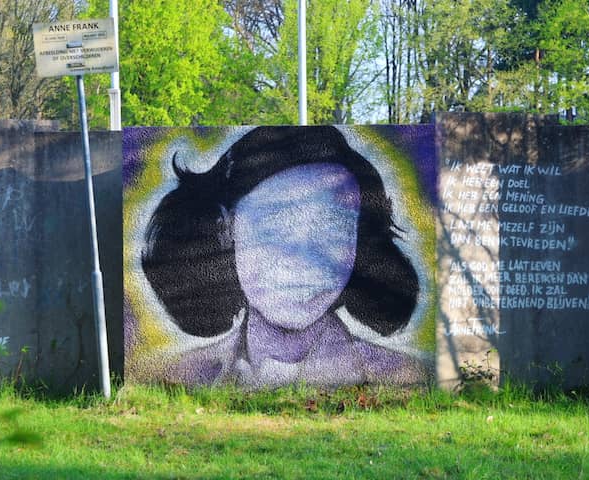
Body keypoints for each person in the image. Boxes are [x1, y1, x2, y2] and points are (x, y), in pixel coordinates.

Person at [141, 126, 428, 387]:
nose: (304, 261)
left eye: (334, 230)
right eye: (273, 228)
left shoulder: (407, 377)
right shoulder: (177, 376)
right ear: (226, 230)